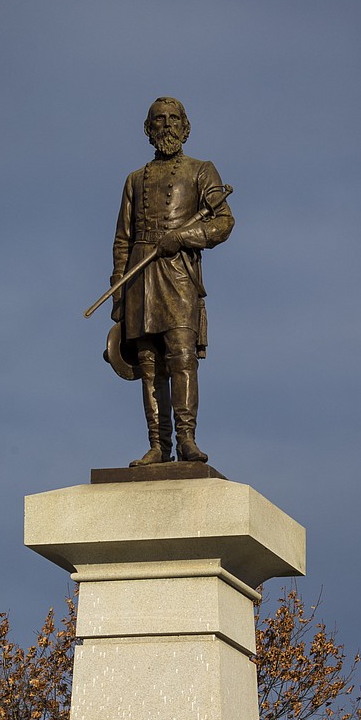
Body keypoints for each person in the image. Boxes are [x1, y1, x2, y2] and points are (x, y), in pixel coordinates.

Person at [110, 97, 234, 465]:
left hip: (178, 274)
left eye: (173, 119)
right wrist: (119, 290)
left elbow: (223, 222)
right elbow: (122, 239)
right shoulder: (134, 180)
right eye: (159, 120)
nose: (166, 125)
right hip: (140, 275)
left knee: (181, 357)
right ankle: (157, 445)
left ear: (186, 126)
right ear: (148, 129)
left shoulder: (201, 171)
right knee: (148, 363)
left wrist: (183, 238)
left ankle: (187, 440)